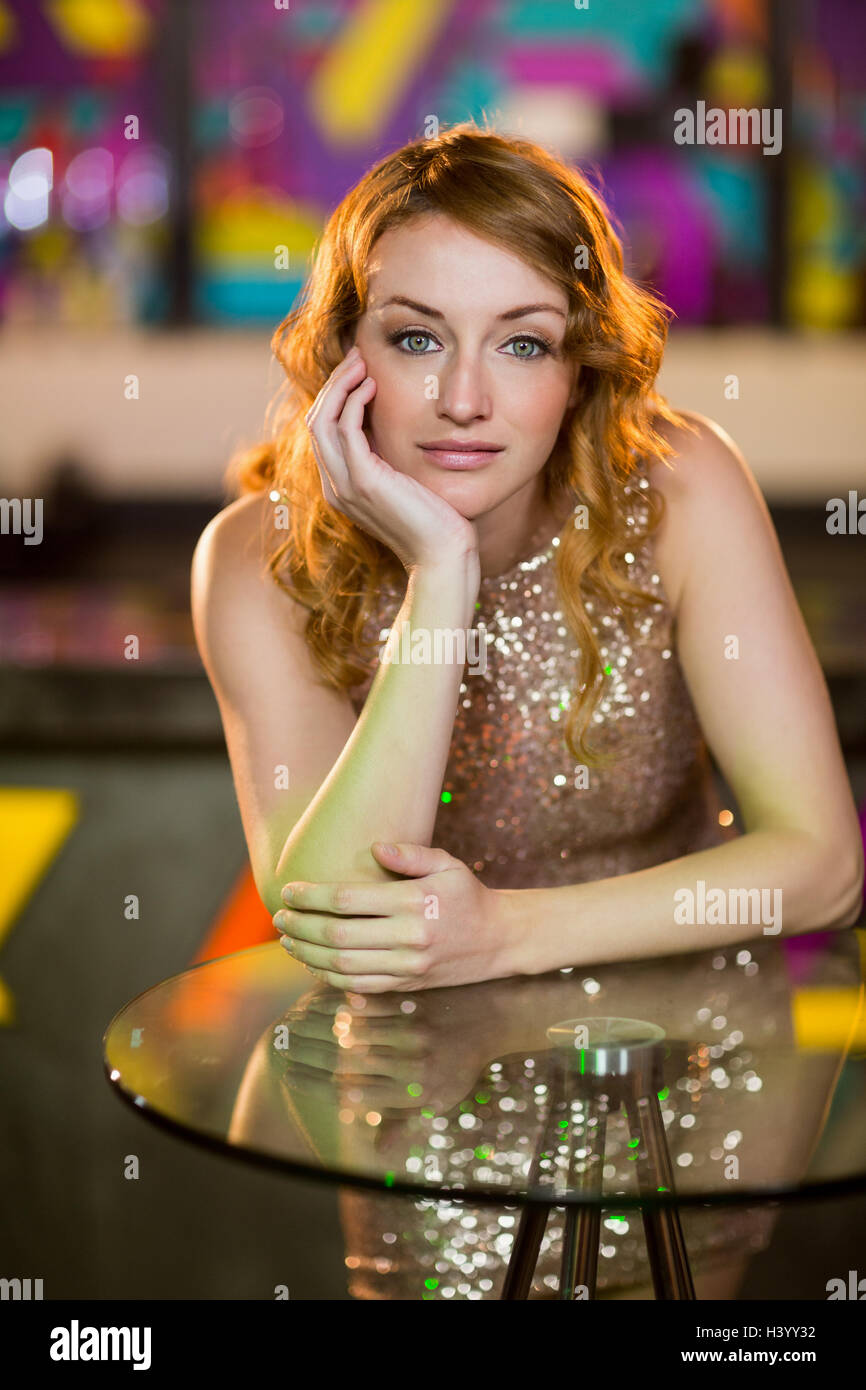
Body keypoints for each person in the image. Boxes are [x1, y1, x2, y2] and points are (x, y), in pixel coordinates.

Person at [193, 121, 863, 1298]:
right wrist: (439, 574)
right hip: (414, 1103)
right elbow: (342, 924)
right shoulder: (254, 561)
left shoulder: (679, 485)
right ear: (343, 353)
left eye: (520, 342)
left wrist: (499, 931)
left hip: (685, 1081)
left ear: (581, 362)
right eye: (414, 338)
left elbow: (817, 867)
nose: (462, 398)